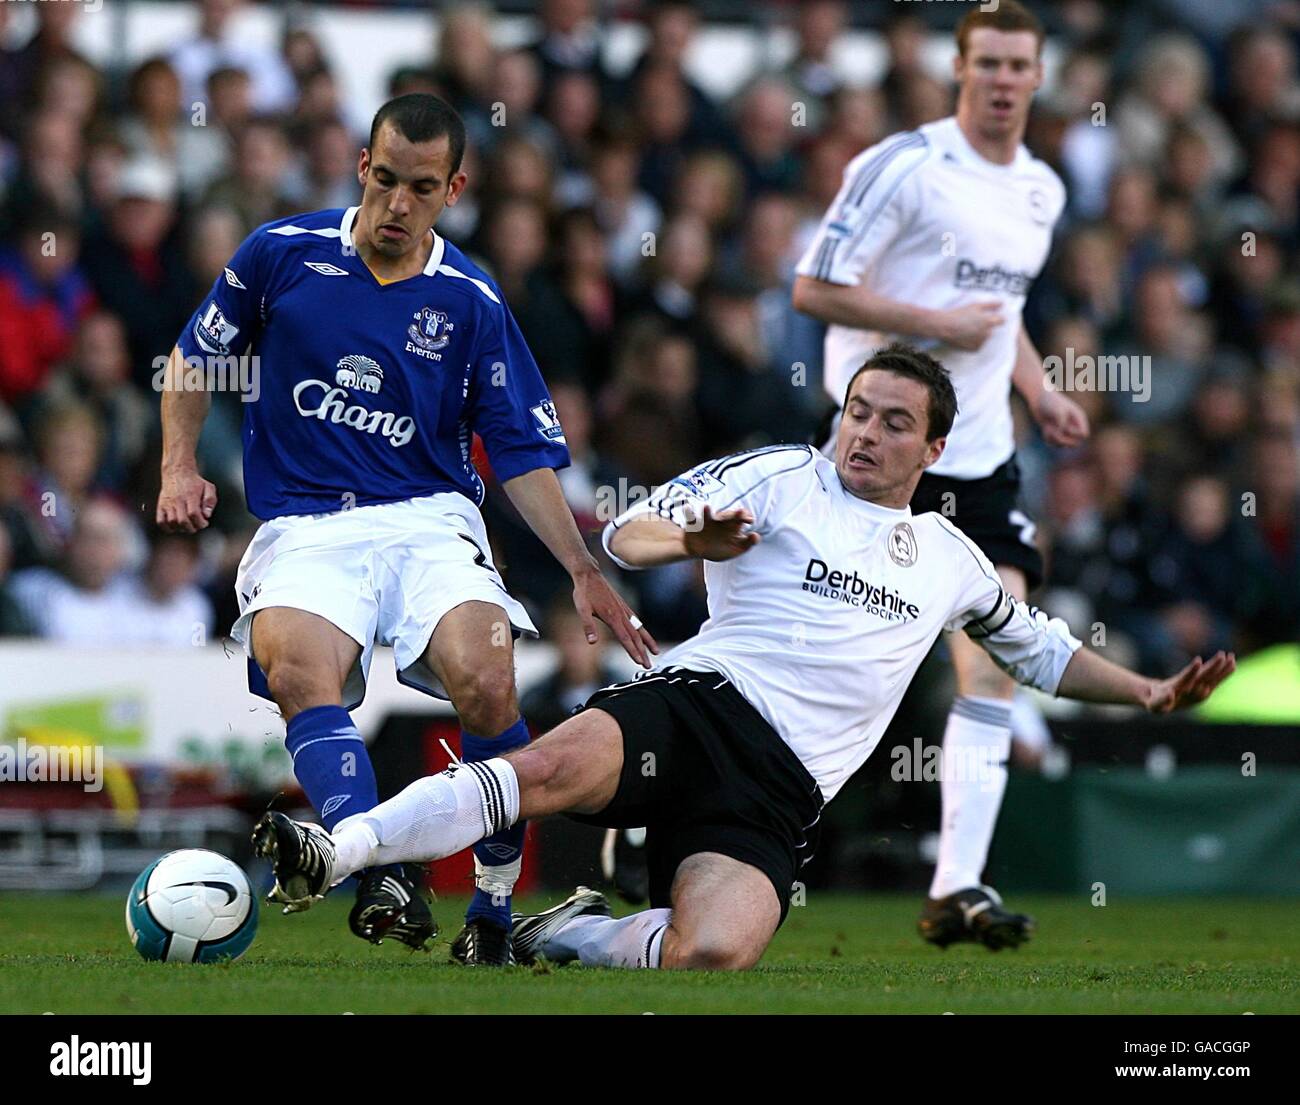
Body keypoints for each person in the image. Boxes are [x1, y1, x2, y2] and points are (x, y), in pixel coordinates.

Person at [251, 344, 1234, 971]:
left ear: (932, 448)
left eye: (894, 422)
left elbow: (1044, 653)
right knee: (543, 769)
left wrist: (1148, 691)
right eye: (857, 410)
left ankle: (566, 932)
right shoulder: (778, 477)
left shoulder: (951, 559)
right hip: (694, 709)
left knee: (711, 953)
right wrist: (691, 544)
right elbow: (630, 531)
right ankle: (338, 849)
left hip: (778, 789)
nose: (866, 432)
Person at [156, 93, 655, 966]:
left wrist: (580, 567)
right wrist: (177, 464)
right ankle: (377, 864)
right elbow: (195, 357)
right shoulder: (281, 254)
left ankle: (492, 917)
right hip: (309, 522)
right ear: (361, 165)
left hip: (431, 522)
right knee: (297, 670)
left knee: (489, 681)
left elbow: (519, 449)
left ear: (453, 187)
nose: (396, 204)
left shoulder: (470, 300)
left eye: (420, 187)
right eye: (384, 179)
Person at [791, 0, 1091, 948]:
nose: (1004, 80)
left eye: (1020, 66)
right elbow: (813, 285)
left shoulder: (1041, 188)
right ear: (960, 68)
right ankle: (665, 816)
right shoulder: (905, 166)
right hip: (879, 443)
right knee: (815, 660)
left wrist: (1039, 390)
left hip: (982, 458)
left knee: (995, 661)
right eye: (988, 63)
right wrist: (928, 323)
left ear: (1039, 77)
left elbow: (1000, 312)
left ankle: (956, 885)